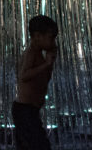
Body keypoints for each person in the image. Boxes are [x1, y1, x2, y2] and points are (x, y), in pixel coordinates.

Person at [13, 14, 58, 150]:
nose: (53, 42)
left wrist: (50, 64)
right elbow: (23, 76)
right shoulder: (31, 52)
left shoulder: (38, 54)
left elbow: (45, 80)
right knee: (39, 145)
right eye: (51, 38)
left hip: (30, 110)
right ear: (38, 36)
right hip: (24, 111)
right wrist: (45, 65)